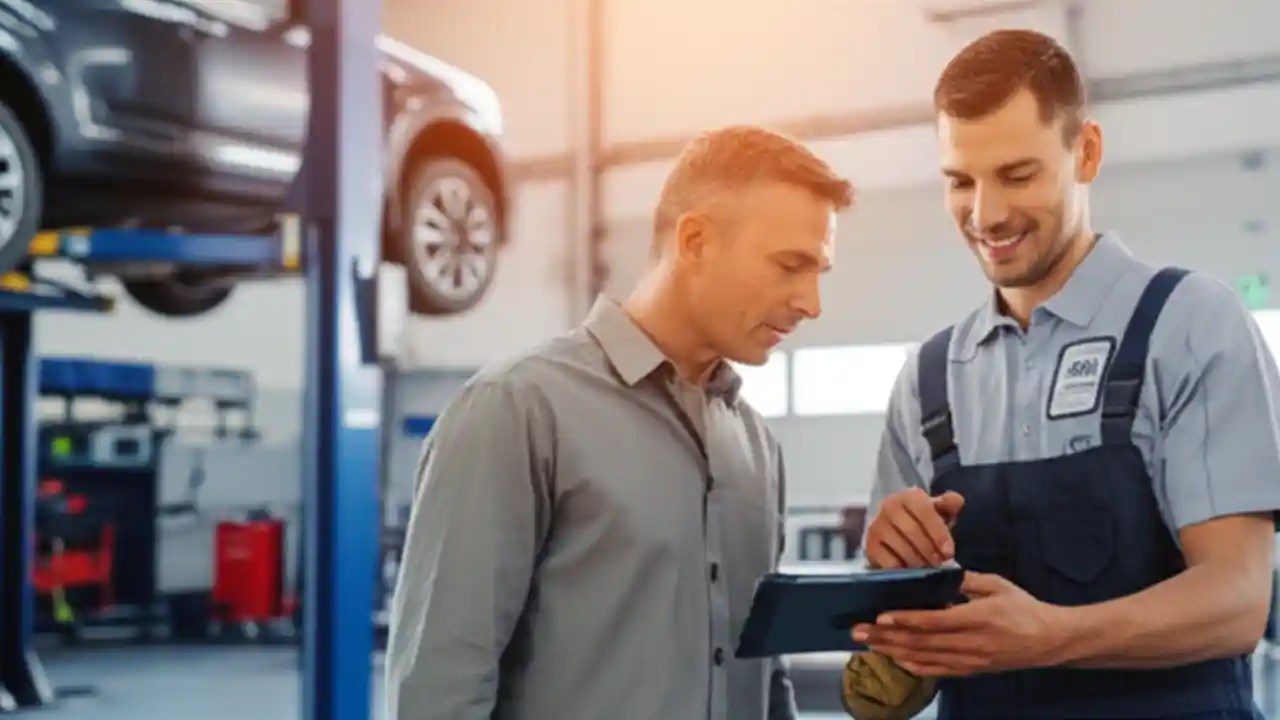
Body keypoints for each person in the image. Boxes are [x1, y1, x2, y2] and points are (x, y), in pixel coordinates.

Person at [849, 28, 1280, 720]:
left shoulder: (1190, 325)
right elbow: (896, 671)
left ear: (1087, 153)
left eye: (1017, 175)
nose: (985, 214)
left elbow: (1236, 602)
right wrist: (890, 592)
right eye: (960, 181)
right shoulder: (928, 381)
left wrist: (1047, 637)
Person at [385, 125, 855, 720]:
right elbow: (439, 686)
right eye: (790, 265)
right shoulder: (518, 409)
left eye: (820, 272)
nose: (811, 303)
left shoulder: (755, 444)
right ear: (695, 241)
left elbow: (763, 676)